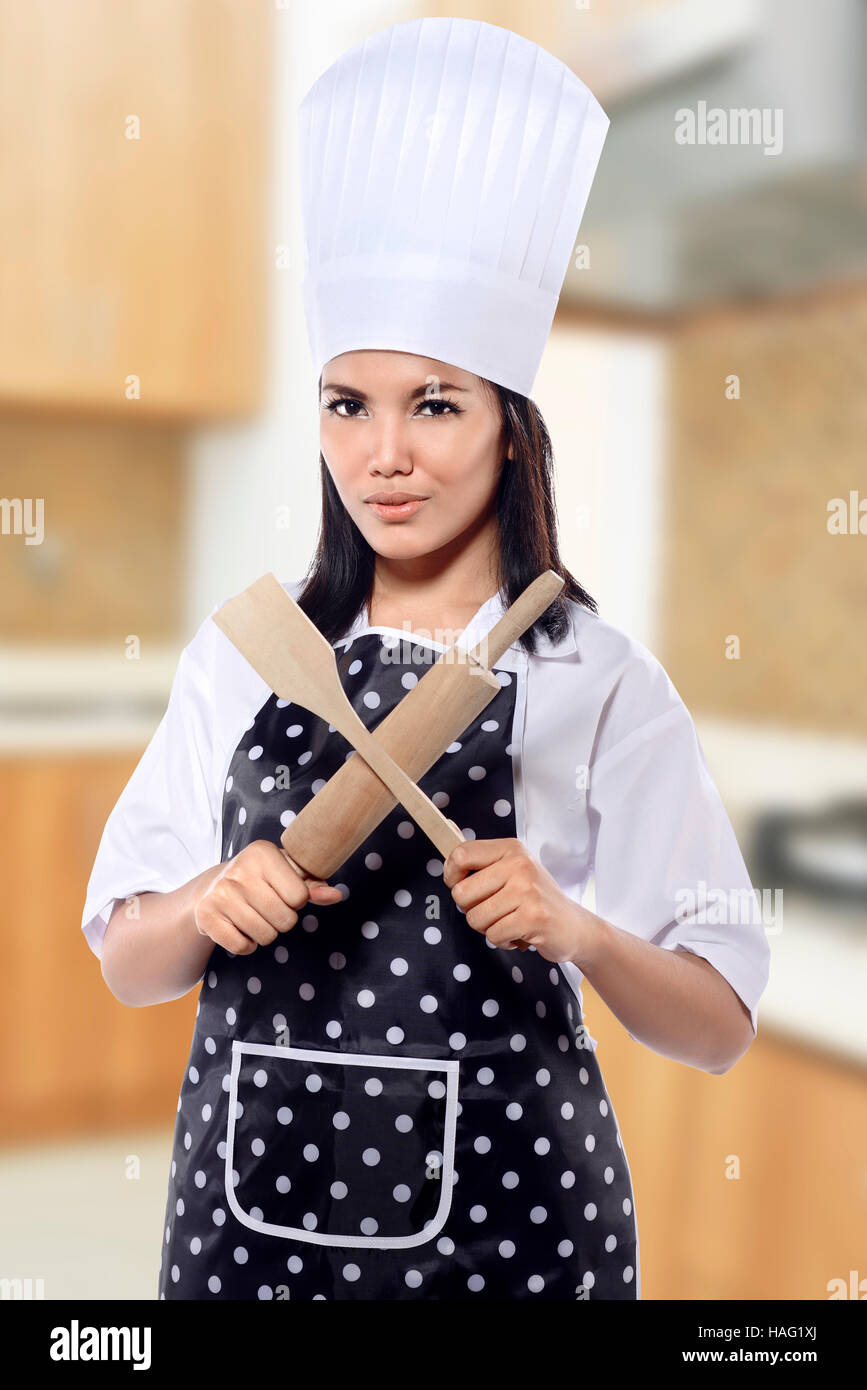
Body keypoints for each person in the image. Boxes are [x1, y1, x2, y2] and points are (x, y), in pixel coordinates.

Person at [82, 16, 769, 1301]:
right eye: (349, 403)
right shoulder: (253, 654)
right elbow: (130, 962)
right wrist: (201, 907)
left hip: (513, 1234)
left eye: (436, 404)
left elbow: (719, 1025)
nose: (382, 455)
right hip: (252, 1215)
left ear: (512, 431)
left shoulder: (595, 678)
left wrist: (579, 931)